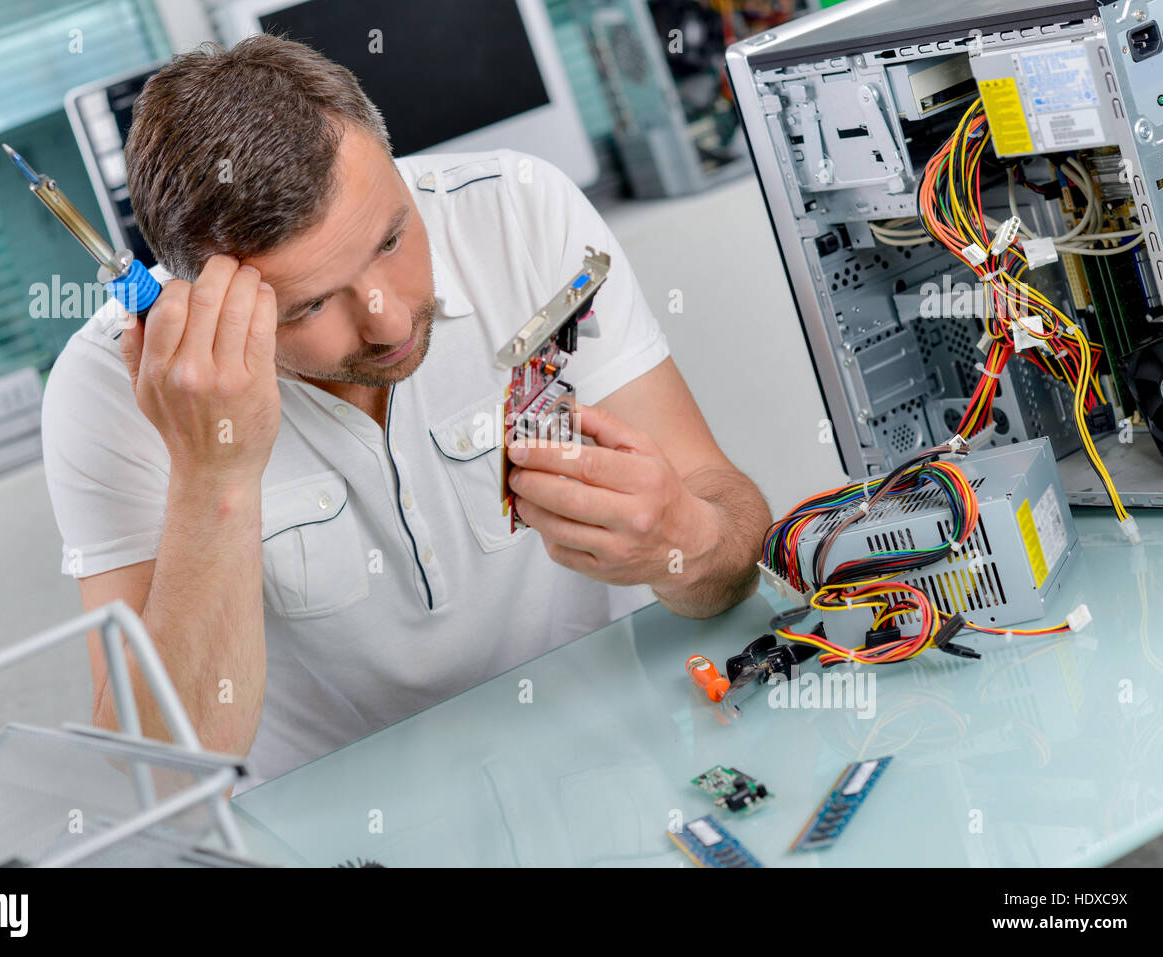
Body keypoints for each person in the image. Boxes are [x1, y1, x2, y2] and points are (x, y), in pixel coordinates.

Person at [42, 35, 770, 793]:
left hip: (618, 783)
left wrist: (686, 540)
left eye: (390, 238)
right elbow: (156, 785)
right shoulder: (104, 392)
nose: (388, 322)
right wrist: (212, 468)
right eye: (312, 304)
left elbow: (731, 556)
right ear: (196, 296)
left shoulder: (521, 210)